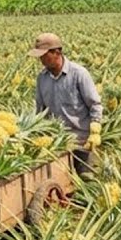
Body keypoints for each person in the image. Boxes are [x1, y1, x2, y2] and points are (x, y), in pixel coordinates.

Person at [28, 32, 103, 178]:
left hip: (81, 142)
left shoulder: (79, 74)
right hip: (56, 145)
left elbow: (95, 104)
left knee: (87, 182)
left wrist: (95, 129)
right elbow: (40, 110)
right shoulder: (42, 78)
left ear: (57, 52)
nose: (41, 59)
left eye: (44, 55)